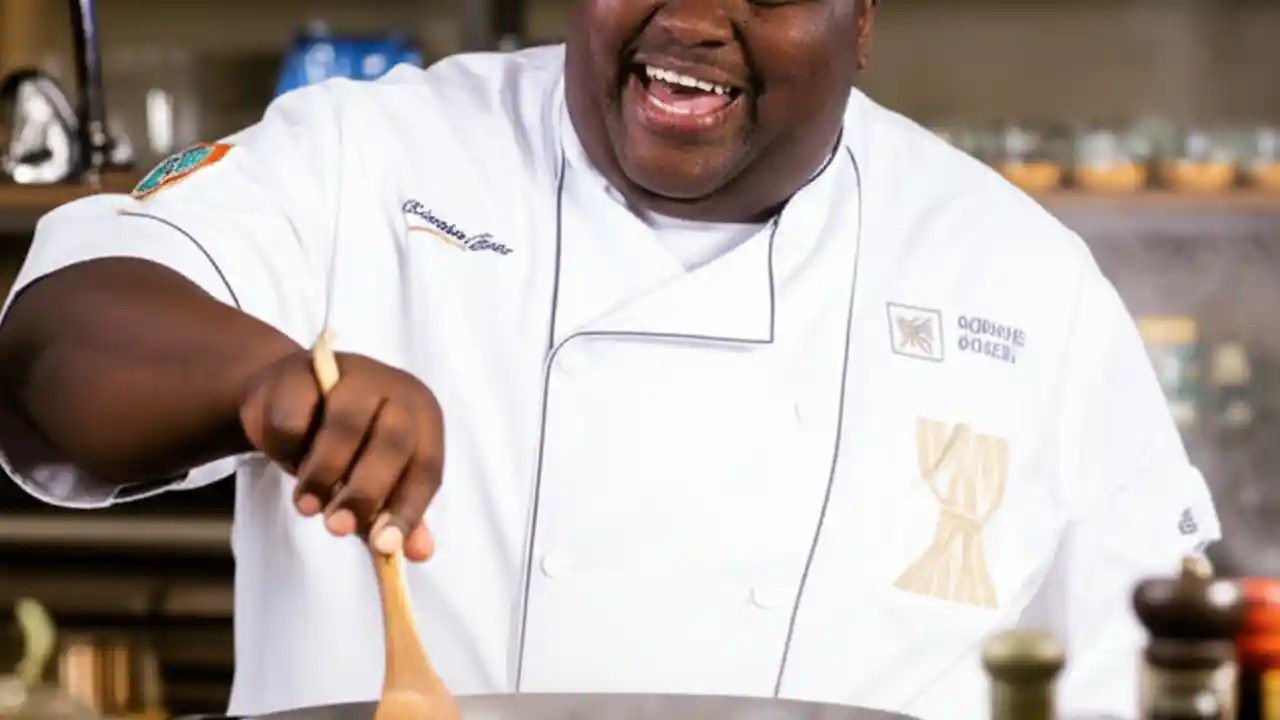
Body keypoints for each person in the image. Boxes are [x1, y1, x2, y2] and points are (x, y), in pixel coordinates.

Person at [0, 1, 1219, 718]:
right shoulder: (374, 156)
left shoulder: (1014, 273)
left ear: (861, 22)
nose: (690, 19)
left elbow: (1153, 656)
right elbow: (56, 339)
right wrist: (253, 383)